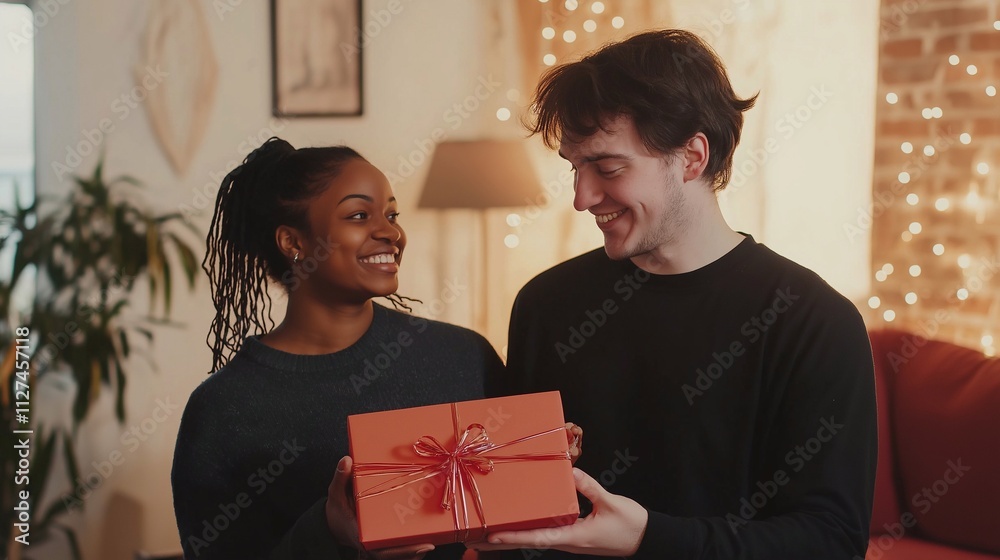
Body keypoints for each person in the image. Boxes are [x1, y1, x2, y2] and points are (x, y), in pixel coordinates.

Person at [475, 30, 877, 559]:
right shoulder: (545, 304)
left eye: (608, 167)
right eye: (575, 167)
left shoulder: (813, 322)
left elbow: (830, 542)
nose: (582, 197)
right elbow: (516, 510)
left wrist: (648, 539)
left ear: (692, 157)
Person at [171, 137, 506, 560]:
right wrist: (330, 533)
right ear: (294, 243)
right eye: (359, 215)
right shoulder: (223, 409)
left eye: (391, 214)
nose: (391, 232)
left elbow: (519, 516)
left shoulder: (463, 356)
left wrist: (551, 454)